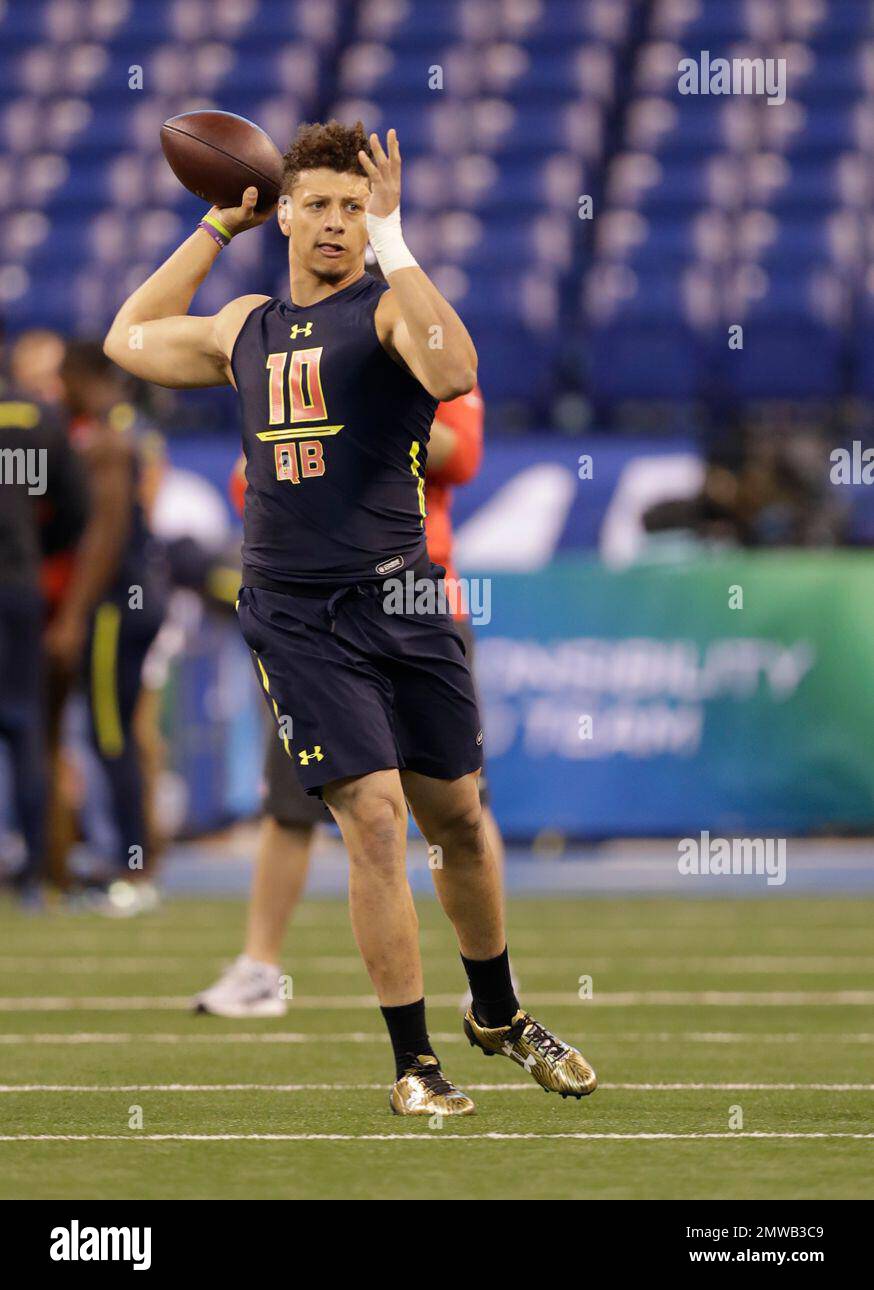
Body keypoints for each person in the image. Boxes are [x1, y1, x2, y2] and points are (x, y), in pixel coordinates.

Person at [104, 119, 596, 1115]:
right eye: (318, 204)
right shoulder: (243, 323)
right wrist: (212, 225)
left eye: (351, 205)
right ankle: (414, 1067)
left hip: (405, 598)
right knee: (373, 822)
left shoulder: (383, 312)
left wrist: (398, 234)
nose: (336, 222)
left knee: (457, 822)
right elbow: (129, 337)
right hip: (296, 614)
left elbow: (453, 370)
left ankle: (495, 1010)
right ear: (282, 212)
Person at [194, 384, 508, 1017]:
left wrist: (357, 411)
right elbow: (246, 480)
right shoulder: (296, 353)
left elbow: (462, 455)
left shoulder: (427, 346)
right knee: (291, 796)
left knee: (461, 804)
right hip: (315, 611)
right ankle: (260, 968)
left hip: (418, 596)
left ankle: (494, 979)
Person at [51, 342, 167, 911]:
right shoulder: (121, 427)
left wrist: (75, 614)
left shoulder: (108, 435)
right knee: (115, 734)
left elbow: (106, 532)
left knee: (111, 735)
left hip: (117, 602)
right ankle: (129, 861)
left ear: (80, 375)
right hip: (133, 595)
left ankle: (131, 869)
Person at [0, 387, 89, 903]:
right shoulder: (33, 416)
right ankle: (33, 873)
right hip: (16, 584)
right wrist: (34, 548)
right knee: (22, 723)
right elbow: (76, 508)